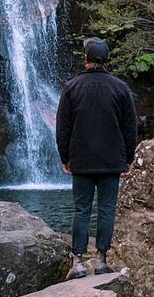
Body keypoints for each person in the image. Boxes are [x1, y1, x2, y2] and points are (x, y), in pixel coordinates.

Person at [56, 36, 137, 278]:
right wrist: (128, 159)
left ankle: (78, 262)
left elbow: (63, 127)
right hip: (112, 160)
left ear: (86, 59)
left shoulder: (72, 87)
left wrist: (65, 156)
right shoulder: (121, 88)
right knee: (107, 209)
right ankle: (101, 261)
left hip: (81, 159)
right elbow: (130, 128)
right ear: (106, 59)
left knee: (81, 209)